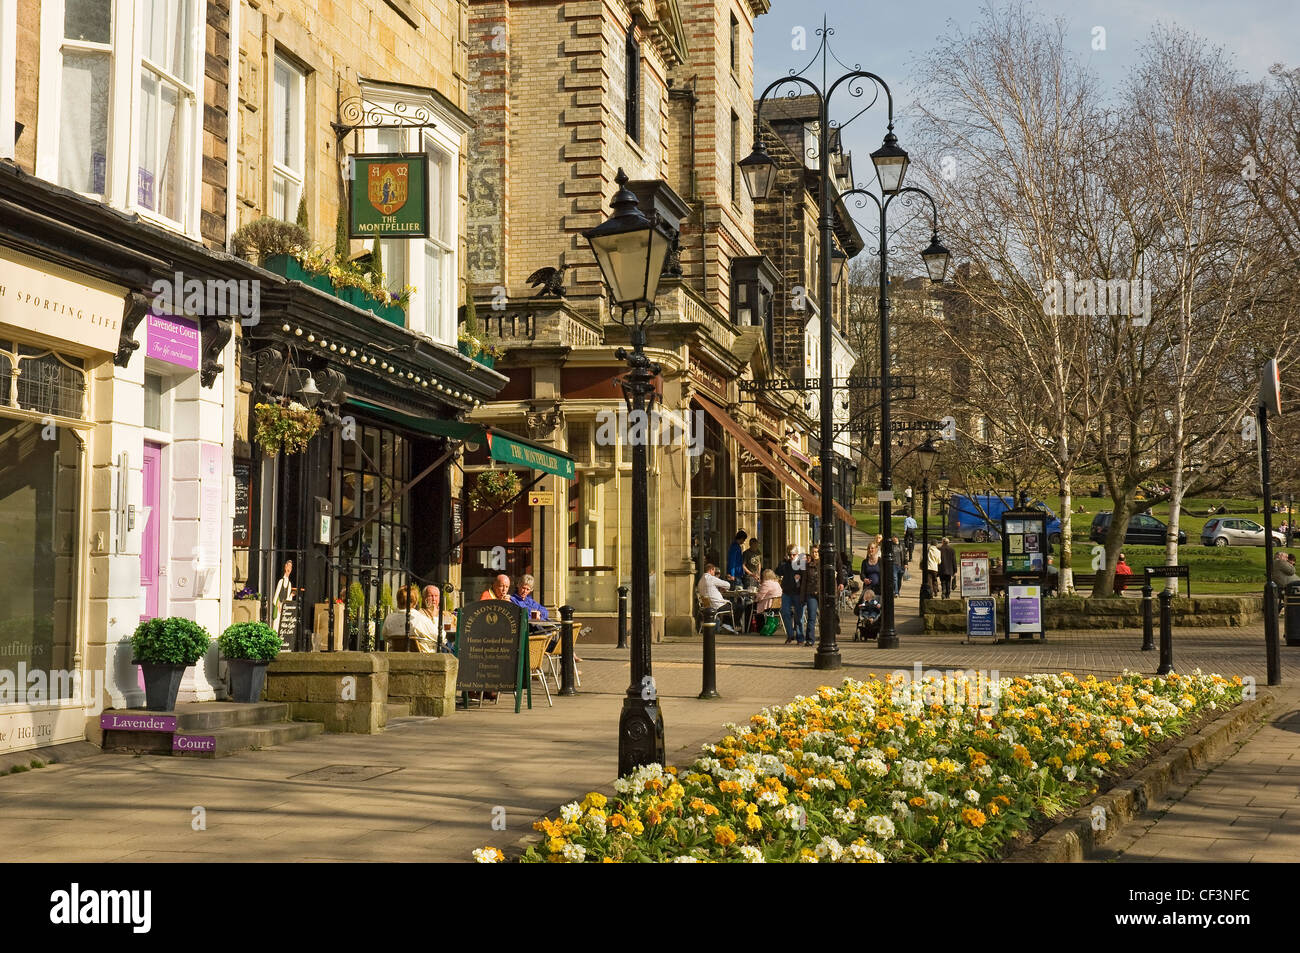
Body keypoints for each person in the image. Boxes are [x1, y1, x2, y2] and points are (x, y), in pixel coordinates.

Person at [381, 584, 440, 651]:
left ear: (398, 601)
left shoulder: (389, 618)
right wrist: (434, 617)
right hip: (423, 658)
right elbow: (440, 638)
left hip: (396, 656)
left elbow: (385, 637)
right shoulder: (419, 619)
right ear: (415, 602)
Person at [776, 545, 805, 644]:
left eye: (793, 554)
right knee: (785, 613)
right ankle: (790, 635)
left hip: (797, 593)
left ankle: (800, 637)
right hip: (787, 592)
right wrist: (783, 561)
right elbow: (778, 571)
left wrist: (800, 581)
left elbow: (805, 577)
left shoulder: (801, 563)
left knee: (799, 616)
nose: (791, 557)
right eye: (789, 555)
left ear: (797, 554)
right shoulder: (786, 564)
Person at [696, 564, 736, 633]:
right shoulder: (711, 578)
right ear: (711, 570)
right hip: (716, 606)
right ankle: (728, 626)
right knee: (737, 606)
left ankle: (724, 626)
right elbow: (727, 585)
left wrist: (718, 590)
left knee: (729, 605)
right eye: (714, 571)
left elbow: (709, 591)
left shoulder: (700, 581)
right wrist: (731, 580)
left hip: (706, 606)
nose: (714, 573)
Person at [799, 546, 823, 646]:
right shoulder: (807, 566)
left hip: (822, 594)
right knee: (811, 617)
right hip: (810, 593)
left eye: (817, 552)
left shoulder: (823, 565)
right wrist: (802, 596)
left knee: (824, 617)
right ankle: (810, 639)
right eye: (813, 552)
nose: (815, 554)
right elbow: (803, 582)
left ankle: (824, 637)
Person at [420, 585, 455, 651]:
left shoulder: (445, 614)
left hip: (446, 644)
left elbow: (451, 630)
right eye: (430, 596)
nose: (434, 599)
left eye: (436, 596)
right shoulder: (421, 614)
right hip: (433, 647)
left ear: (439, 598)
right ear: (424, 598)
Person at [271, 559, 294, 632]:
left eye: (291, 567)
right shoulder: (281, 581)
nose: (289, 568)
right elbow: (275, 597)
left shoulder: (289, 584)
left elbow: (288, 599)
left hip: (284, 607)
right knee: (276, 625)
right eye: (288, 566)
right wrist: (278, 604)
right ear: (285, 567)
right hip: (279, 607)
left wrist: (292, 595)